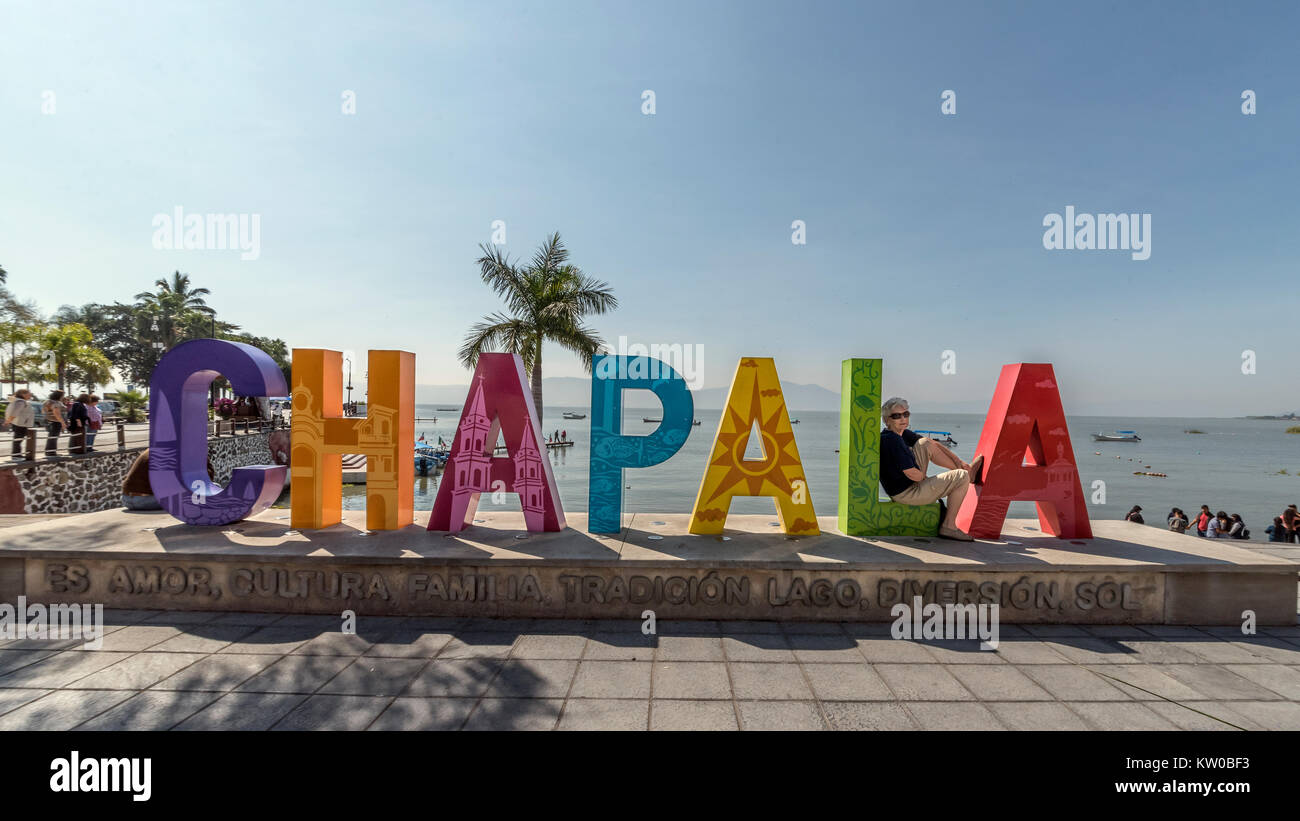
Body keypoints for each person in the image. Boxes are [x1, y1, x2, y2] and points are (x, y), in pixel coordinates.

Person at [878, 396, 984, 541]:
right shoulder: (893, 440)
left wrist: (959, 461)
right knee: (960, 476)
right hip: (906, 493)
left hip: (906, 485)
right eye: (896, 416)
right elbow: (912, 474)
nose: (903, 418)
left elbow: (931, 444)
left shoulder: (900, 434)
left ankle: (967, 470)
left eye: (906, 414)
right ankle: (949, 527)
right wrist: (925, 479)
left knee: (925, 443)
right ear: (886, 420)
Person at [3, 389, 34, 459]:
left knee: (19, 439)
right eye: (29, 393)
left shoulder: (18, 401)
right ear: (23, 394)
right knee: (18, 439)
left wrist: (8, 421)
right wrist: (8, 421)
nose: (31, 395)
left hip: (20, 423)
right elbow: (14, 413)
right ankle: (16, 455)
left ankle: (16, 454)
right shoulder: (21, 402)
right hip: (20, 424)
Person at [42, 390, 66, 456]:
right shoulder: (56, 403)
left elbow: (43, 411)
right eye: (62, 395)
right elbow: (57, 413)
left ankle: (49, 451)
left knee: (51, 436)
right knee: (54, 437)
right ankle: (51, 452)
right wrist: (62, 422)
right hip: (56, 422)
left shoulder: (47, 402)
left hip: (48, 420)